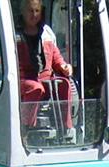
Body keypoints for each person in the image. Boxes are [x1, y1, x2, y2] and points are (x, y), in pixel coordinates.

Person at [15, 0, 74, 129]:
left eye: (37, 11)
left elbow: (56, 57)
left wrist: (64, 66)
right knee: (35, 88)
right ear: (23, 12)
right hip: (22, 80)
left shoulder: (47, 33)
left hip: (46, 79)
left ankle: (66, 128)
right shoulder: (14, 34)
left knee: (65, 84)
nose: (34, 14)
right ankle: (27, 128)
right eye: (31, 11)